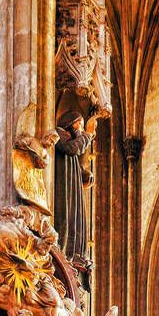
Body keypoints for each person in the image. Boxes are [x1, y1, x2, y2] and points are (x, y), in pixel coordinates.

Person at [53, 110, 97, 260]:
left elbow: (74, 161)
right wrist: (88, 135)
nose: (81, 128)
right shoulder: (59, 135)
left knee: (76, 222)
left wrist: (83, 177)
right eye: (79, 124)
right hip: (63, 192)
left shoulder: (70, 142)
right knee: (66, 220)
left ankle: (74, 255)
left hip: (71, 191)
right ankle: (62, 253)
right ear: (69, 123)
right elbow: (71, 149)